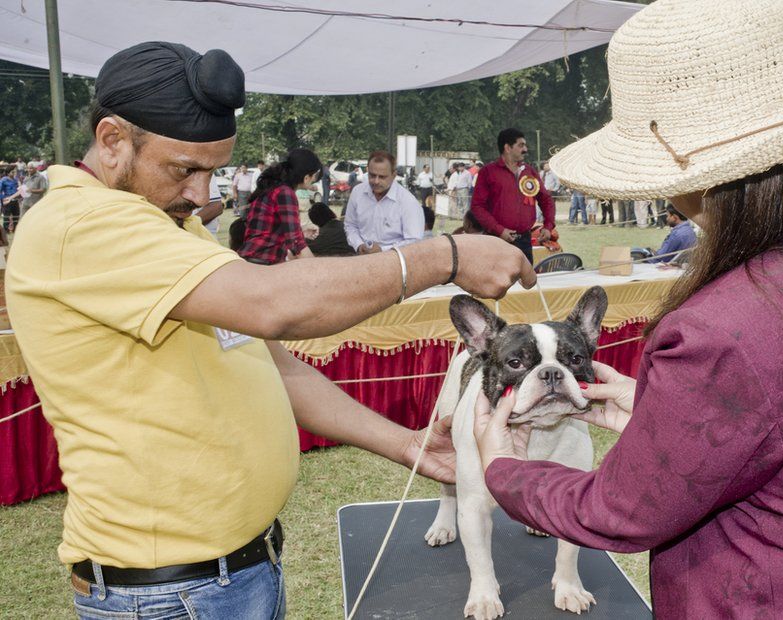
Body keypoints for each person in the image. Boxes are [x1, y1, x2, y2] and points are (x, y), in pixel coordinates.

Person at [471, 1, 783, 617]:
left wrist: (505, 467)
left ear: (703, 181)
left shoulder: (723, 328)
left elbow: (622, 512)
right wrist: (679, 415)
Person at [5, 41, 536, 620]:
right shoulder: (78, 224)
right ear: (111, 140)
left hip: (234, 571)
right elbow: (270, 305)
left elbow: (273, 365)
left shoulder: (166, 222)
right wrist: (443, 257)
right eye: (185, 169)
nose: (201, 196)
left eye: (212, 171)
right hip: (167, 594)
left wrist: (407, 446)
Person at [470, 128, 556, 263]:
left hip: (524, 241)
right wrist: (499, 230)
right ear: (507, 148)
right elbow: (477, 206)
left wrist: (548, 226)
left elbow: (546, 199)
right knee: (499, 277)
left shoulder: (529, 171)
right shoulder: (488, 172)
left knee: (526, 277)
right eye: (521, 145)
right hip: (496, 241)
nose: (525, 149)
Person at [238, 149, 319, 264]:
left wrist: (302, 232)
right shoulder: (285, 193)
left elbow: (271, 229)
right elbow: (296, 244)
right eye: (314, 176)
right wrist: (319, 269)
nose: (314, 180)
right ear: (306, 178)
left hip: (254, 258)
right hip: (262, 262)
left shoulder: (274, 188)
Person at [344, 150, 424, 254]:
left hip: (394, 260)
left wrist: (383, 250)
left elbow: (414, 241)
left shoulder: (408, 202)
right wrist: (359, 245)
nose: (376, 181)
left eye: (382, 177)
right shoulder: (358, 192)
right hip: (361, 257)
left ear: (394, 175)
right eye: (372, 175)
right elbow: (350, 225)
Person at [0, 166, 20, 233]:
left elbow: (19, 190)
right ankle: (6, 231)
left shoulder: (16, 179)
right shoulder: (4, 180)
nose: (14, 173)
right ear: (8, 173)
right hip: (7, 201)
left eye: (14, 172)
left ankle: (15, 229)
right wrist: (3, 199)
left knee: (16, 215)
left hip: (15, 201)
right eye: (12, 172)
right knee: (6, 217)